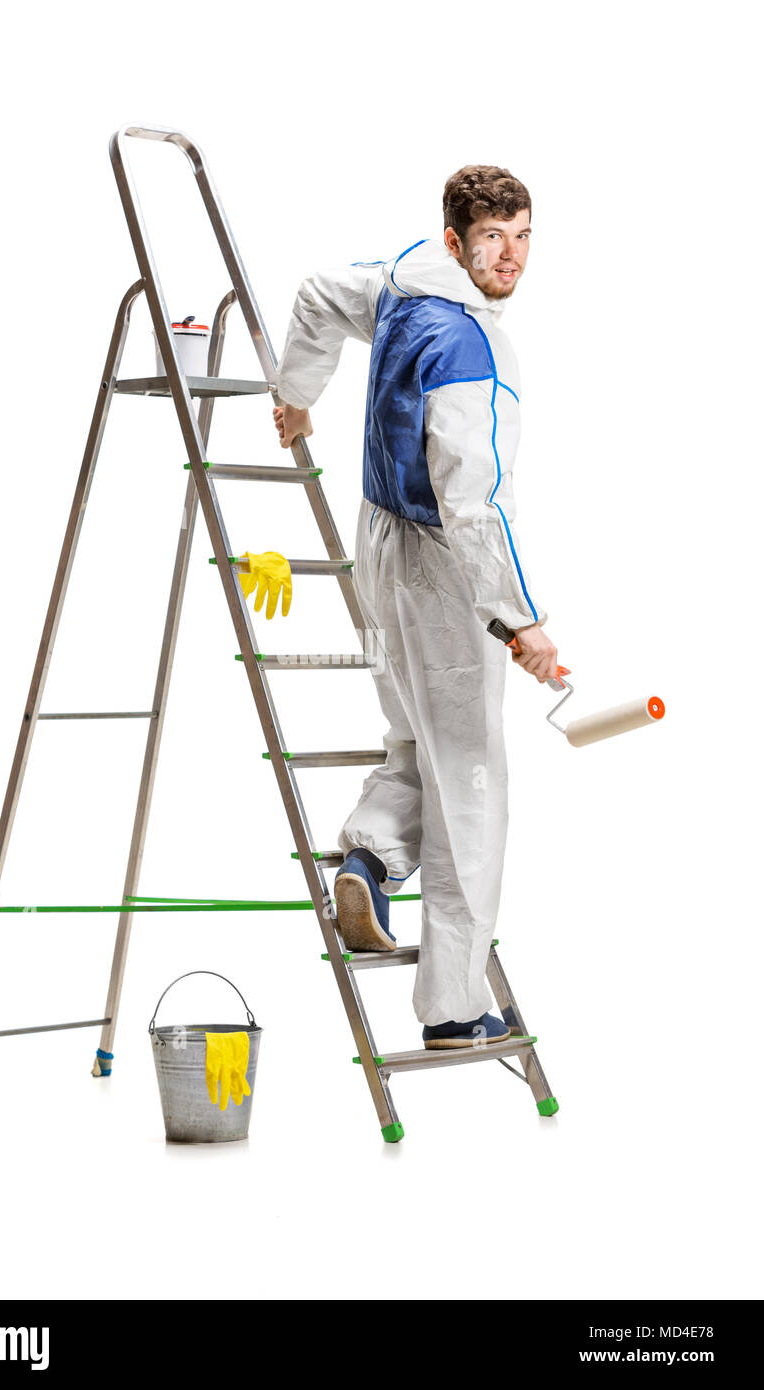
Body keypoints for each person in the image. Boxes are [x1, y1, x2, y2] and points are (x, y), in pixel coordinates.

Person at [273, 165, 558, 1050]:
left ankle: (366, 858)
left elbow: (321, 294)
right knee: (471, 783)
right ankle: (453, 1005)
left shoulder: (400, 287)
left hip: (378, 547)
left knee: (415, 740)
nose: (509, 258)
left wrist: (295, 394)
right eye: (491, 242)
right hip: (438, 566)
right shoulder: (465, 348)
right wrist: (519, 621)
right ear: (454, 241)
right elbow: (472, 504)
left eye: (521, 238)